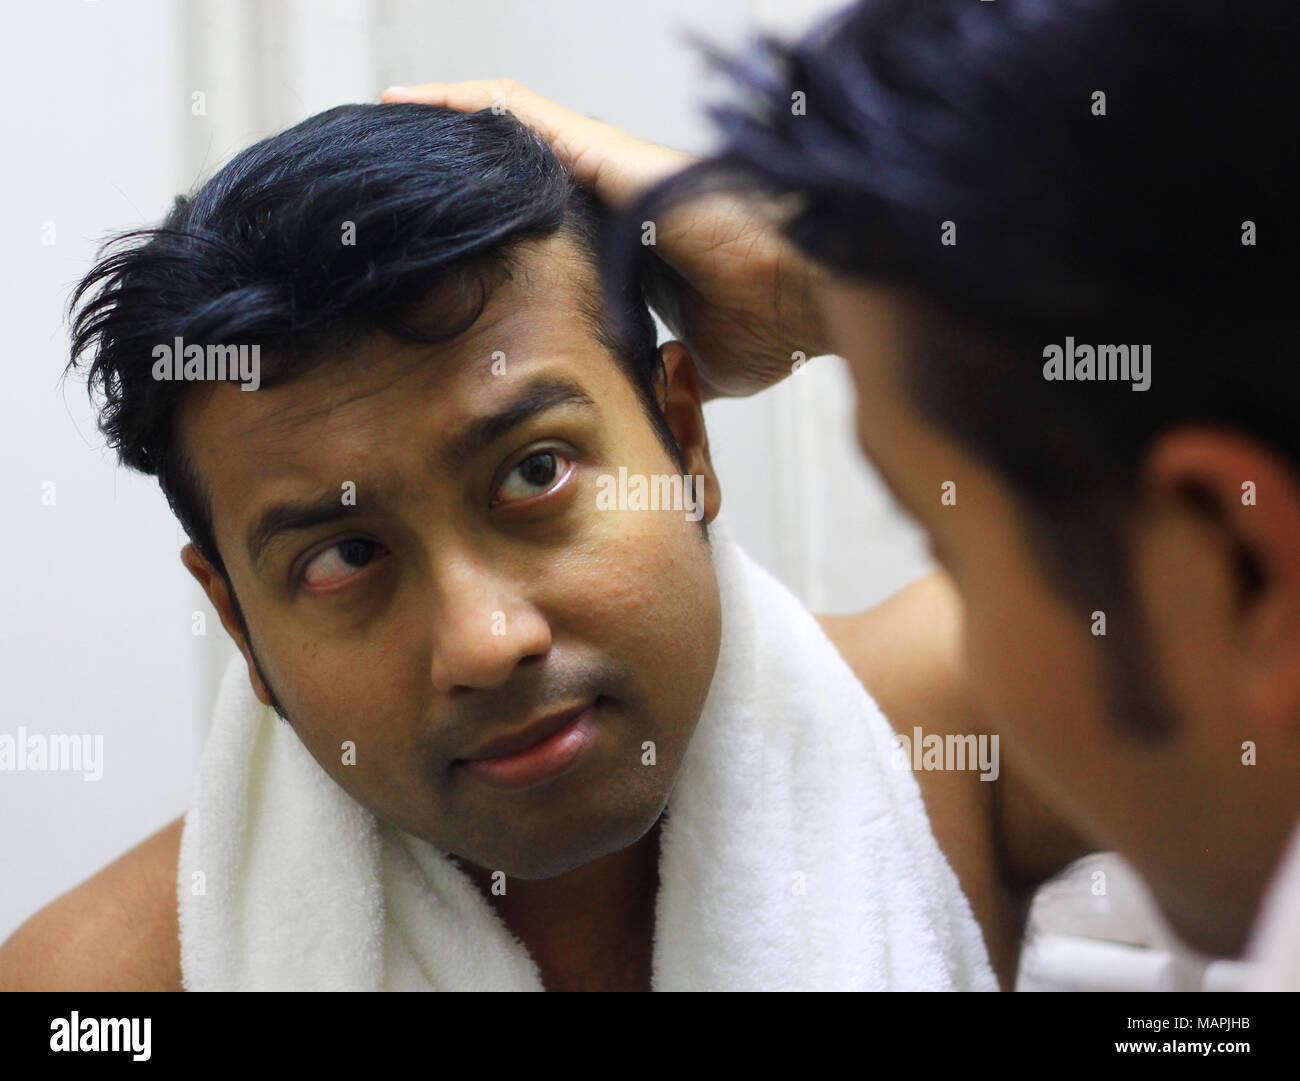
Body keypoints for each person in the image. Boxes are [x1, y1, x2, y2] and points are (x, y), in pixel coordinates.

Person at [0, 100, 1084, 991]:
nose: (484, 641)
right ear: (238, 618)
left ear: (686, 437)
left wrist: (838, 281)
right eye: (344, 558)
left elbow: (1247, 513)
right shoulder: (101, 985)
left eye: (534, 473)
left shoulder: (961, 717)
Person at [386, 0, 1300, 985]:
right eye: (346, 554)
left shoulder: (918, 732)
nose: (486, 639)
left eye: (947, 552)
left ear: (1241, 564)